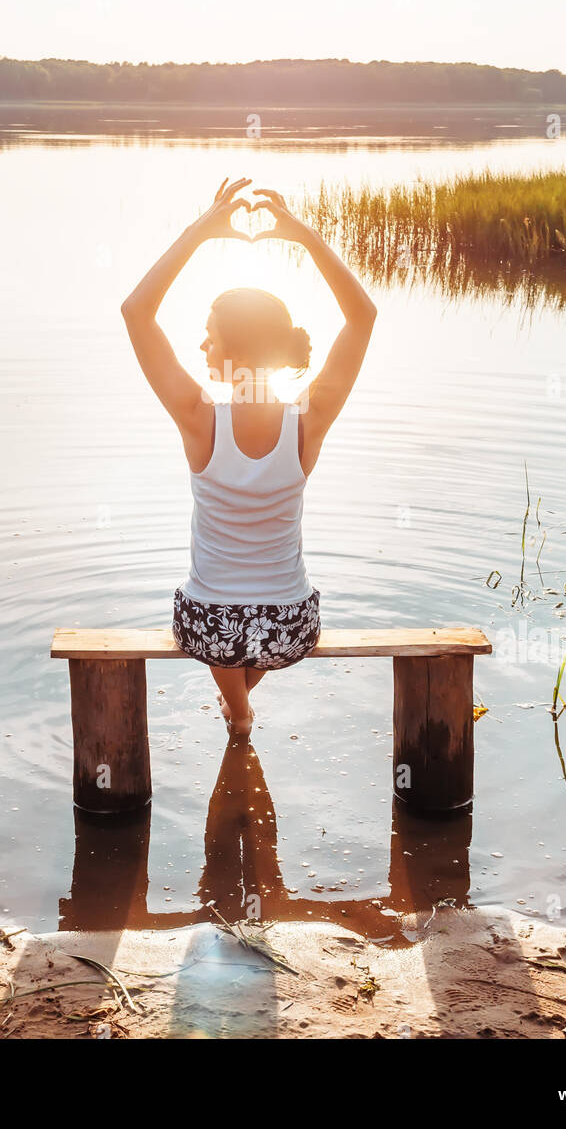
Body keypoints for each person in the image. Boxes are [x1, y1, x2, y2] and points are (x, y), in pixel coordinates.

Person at [121, 177, 376, 734]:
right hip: (290, 630)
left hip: (207, 627)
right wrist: (305, 236)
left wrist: (202, 230)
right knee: (246, 636)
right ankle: (240, 710)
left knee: (222, 630)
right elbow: (363, 317)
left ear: (232, 349)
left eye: (209, 337)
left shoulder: (197, 416)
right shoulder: (309, 419)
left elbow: (136, 312)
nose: (202, 346)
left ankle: (239, 711)